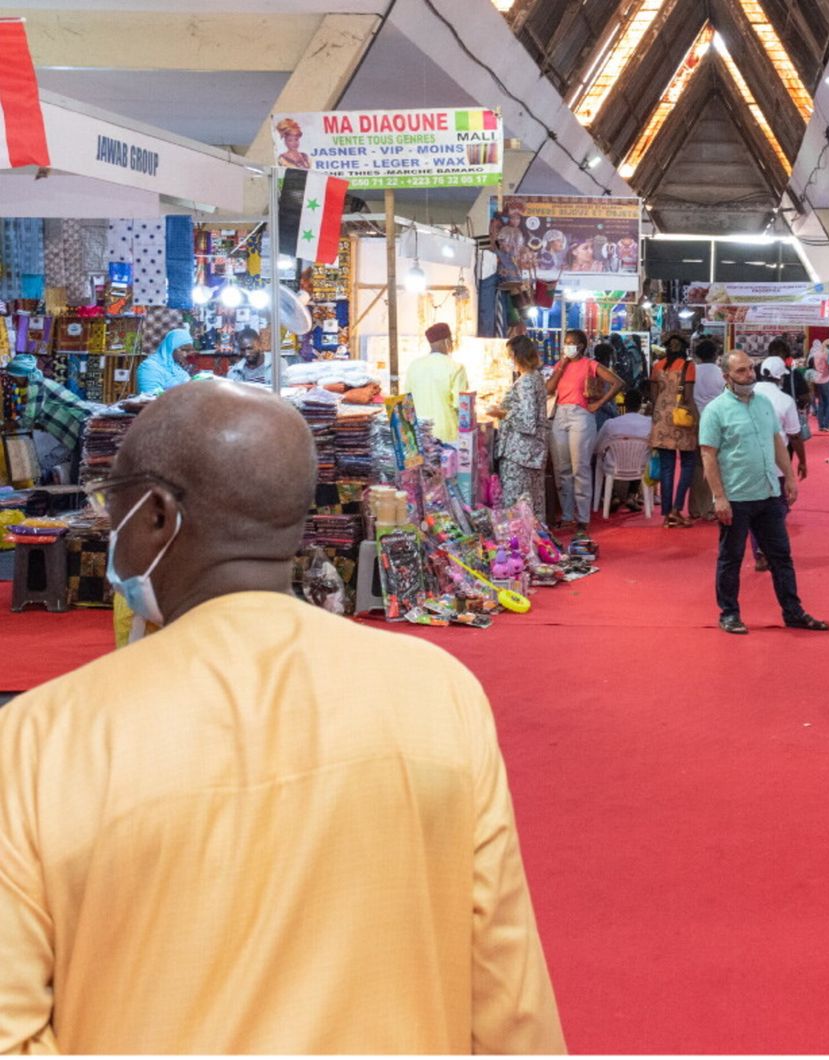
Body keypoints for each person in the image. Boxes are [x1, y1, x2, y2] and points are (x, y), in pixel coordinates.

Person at [0, 381, 564, 1053]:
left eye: (108, 507)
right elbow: (509, 1000)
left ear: (154, 515)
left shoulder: (43, 739)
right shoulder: (439, 694)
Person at [700, 351, 829, 636]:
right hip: (736, 496)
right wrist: (719, 497)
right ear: (726, 377)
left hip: (769, 493)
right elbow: (708, 455)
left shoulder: (764, 404)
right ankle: (730, 614)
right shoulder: (716, 410)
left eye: (750, 369)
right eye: (741, 371)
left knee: (781, 557)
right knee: (731, 558)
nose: (749, 376)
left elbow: (777, 442)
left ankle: (793, 613)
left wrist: (790, 478)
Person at [548, 327, 623, 539]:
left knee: (579, 467)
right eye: (566, 342)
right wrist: (561, 366)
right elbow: (549, 389)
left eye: (571, 342)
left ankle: (582, 518)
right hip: (560, 414)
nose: (567, 346)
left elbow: (617, 382)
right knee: (562, 469)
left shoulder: (590, 365)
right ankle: (567, 514)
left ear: (581, 346)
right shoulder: (560, 365)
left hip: (581, 415)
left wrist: (598, 403)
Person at [750, 354, 808, 572]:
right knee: (778, 508)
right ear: (780, 378)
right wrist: (802, 462)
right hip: (777, 464)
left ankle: (759, 552)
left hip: (748, 462)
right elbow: (794, 435)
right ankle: (770, 549)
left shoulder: (747, 395)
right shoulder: (785, 400)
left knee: (752, 508)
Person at [3, 353, 97, 483]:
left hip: (81, 424)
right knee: (70, 466)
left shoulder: (36, 385)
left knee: (78, 470)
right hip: (78, 426)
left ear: (22, 376)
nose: (12, 381)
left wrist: (9, 425)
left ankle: (74, 498)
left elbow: (29, 418)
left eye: (13, 378)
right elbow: (40, 415)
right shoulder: (39, 383)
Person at [491, 334, 549, 512]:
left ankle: (519, 540)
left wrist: (501, 413)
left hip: (520, 453)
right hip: (534, 452)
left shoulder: (526, 382)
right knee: (534, 501)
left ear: (517, 355)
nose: (509, 359)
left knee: (516, 504)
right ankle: (537, 538)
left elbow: (527, 420)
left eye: (510, 355)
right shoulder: (536, 377)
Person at [649, 333, 700, 527]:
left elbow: (653, 396)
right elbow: (688, 396)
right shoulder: (689, 366)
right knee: (688, 464)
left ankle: (666, 514)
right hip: (682, 420)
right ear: (684, 348)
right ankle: (677, 509)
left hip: (661, 418)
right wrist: (697, 420)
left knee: (667, 468)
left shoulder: (657, 366)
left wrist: (660, 412)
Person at [405, 322, 469, 444]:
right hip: (446, 434)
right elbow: (461, 405)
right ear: (446, 341)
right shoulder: (456, 367)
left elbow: (407, 402)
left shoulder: (414, 365)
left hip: (420, 433)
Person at [593, 389, 652, 511]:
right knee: (639, 457)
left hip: (614, 467)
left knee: (601, 459)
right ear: (641, 404)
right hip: (640, 466)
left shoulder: (611, 423)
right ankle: (631, 495)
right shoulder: (649, 422)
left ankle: (612, 495)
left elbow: (597, 447)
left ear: (624, 403)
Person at [135, 327, 194, 395]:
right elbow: (149, 398)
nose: (185, 355)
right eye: (183, 350)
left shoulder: (176, 368)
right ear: (171, 346)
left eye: (188, 351)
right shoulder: (149, 367)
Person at [226, 326, 292, 386]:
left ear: (259, 344)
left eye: (250, 348)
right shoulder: (234, 372)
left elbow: (285, 390)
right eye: (243, 350)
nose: (247, 353)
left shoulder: (278, 363)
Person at [691, 338, 724, 415]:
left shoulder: (691, 372)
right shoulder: (722, 373)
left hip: (695, 414)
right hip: (716, 414)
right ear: (715, 354)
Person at [809, 338, 829, 429]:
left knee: (821, 403)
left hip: (818, 379)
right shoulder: (827, 354)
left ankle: (821, 425)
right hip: (826, 378)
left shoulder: (815, 354)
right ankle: (827, 424)